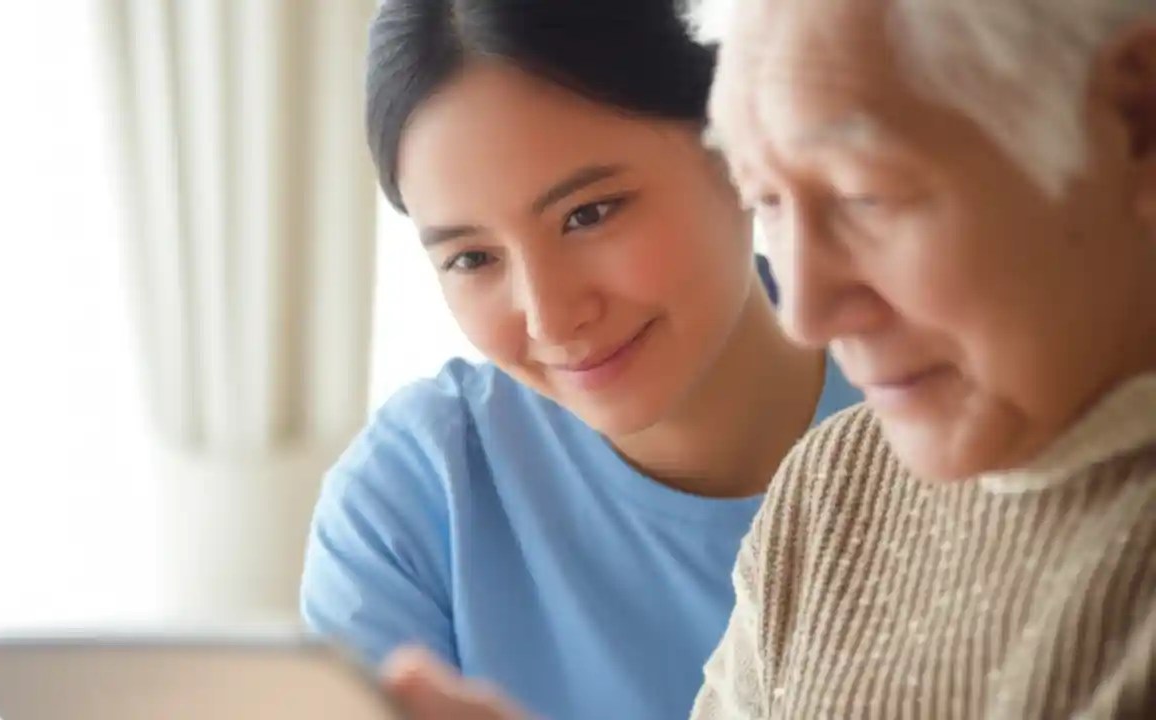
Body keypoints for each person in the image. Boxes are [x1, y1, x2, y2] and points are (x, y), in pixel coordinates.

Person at [376, 0, 1156, 717]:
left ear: (1137, 121)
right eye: (769, 199)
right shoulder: (831, 489)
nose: (807, 313)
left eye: (863, 195)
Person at [299, 1, 860, 719]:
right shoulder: (412, 503)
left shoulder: (951, 401)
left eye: (589, 214)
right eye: (473, 258)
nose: (549, 317)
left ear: (736, 146)